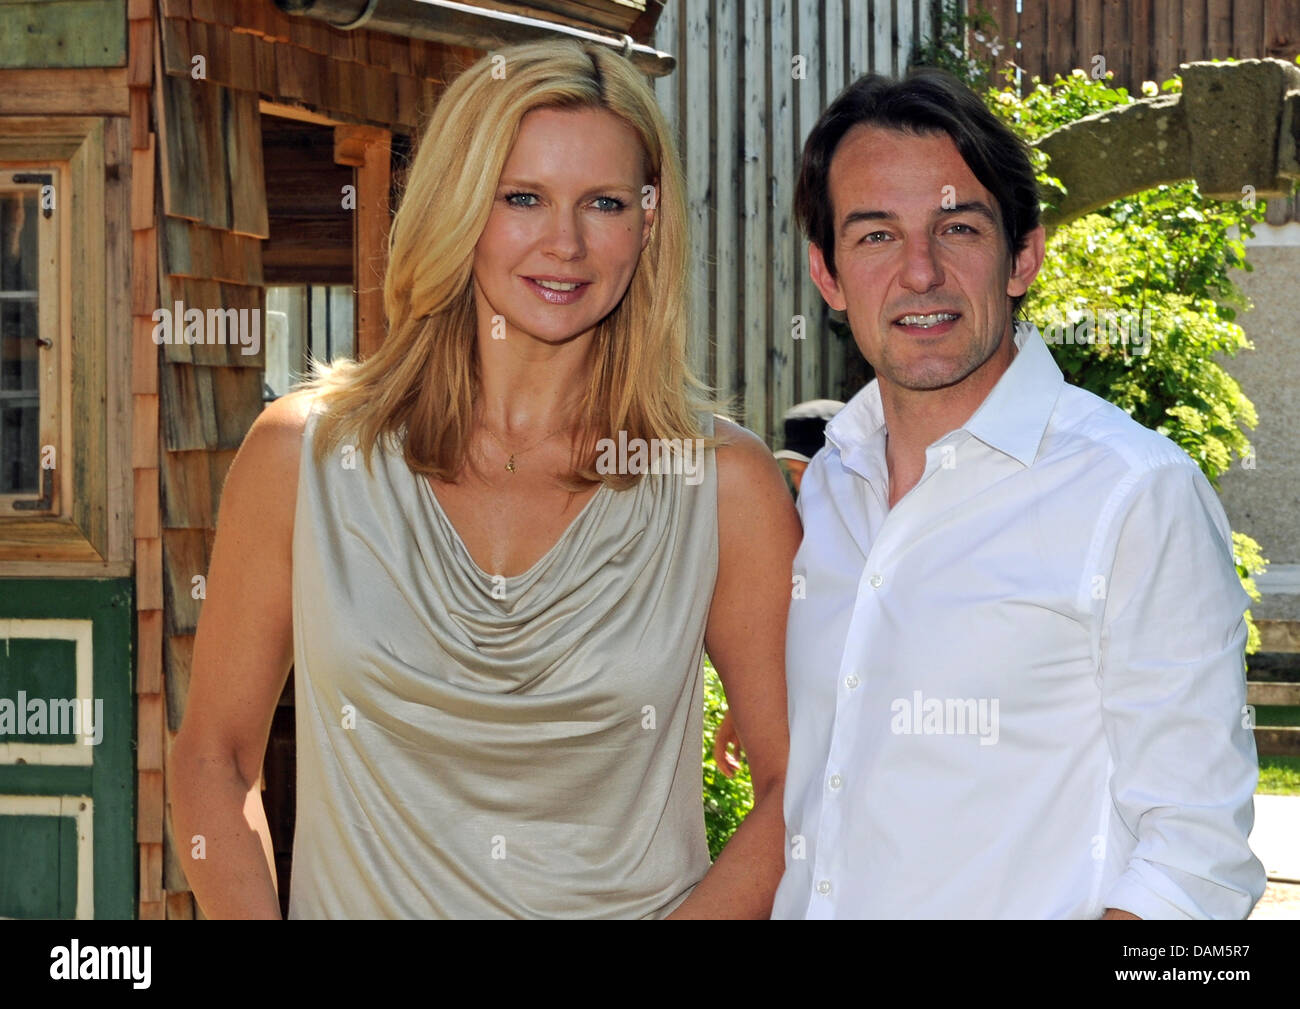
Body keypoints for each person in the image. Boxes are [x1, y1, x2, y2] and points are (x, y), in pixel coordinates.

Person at [170, 40, 800, 919]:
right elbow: (211, 758)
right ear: (460, 205)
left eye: (605, 203)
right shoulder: (303, 459)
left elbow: (797, 788)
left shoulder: (722, 487)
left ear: (648, 224)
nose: (567, 243)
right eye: (523, 198)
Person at [772, 68, 1266, 919]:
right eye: (876, 235)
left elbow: (1199, 867)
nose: (920, 272)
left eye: (957, 226)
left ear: (1022, 255)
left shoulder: (1133, 495)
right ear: (827, 275)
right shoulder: (829, 494)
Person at [714, 399, 842, 777]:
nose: (800, 482)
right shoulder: (792, 523)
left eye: (810, 469)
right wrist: (744, 709)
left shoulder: (871, 531)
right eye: (793, 471)